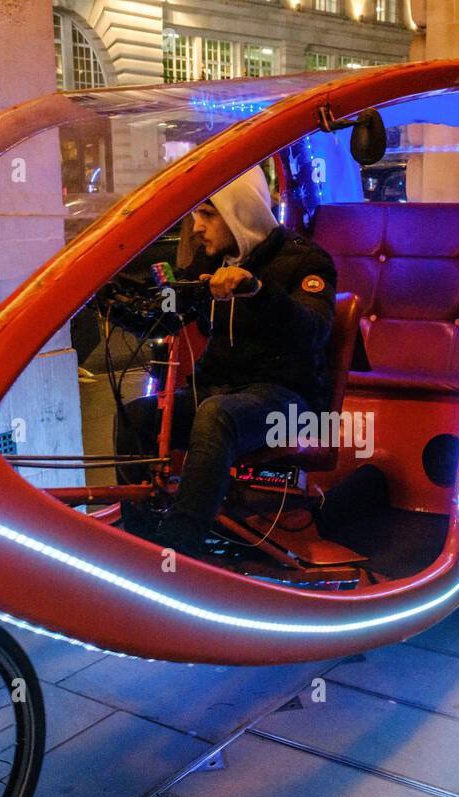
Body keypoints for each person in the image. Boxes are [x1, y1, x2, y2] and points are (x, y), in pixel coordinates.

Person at [114, 166, 336, 554]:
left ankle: (180, 548)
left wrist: (256, 290)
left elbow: (314, 330)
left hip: (288, 403)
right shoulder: (211, 259)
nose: (196, 227)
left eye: (208, 214)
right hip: (221, 393)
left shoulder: (306, 261)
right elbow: (171, 310)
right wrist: (117, 301)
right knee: (136, 417)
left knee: (216, 414)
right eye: (196, 214)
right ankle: (141, 540)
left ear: (240, 211)